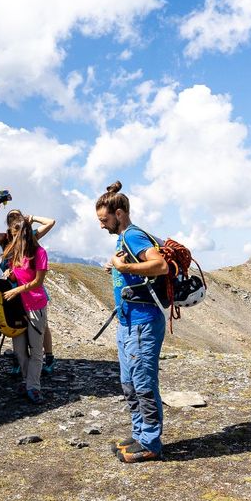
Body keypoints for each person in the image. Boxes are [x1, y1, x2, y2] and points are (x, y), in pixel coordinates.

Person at [96, 181, 168, 463]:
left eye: (104, 220)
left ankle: (150, 443)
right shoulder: (123, 238)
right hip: (127, 322)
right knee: (129, 382)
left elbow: (160, 265)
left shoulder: (133, 235)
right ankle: (139, 434)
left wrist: (124, 266)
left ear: (119, 213)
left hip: (142, 322)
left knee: (143, 382)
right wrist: (117, 269)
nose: (101, 225)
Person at [0, 201, 57, 374]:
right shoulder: (5, 239)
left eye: (17, 215)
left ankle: (48, 358)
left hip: (30, 288)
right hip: (13, 288)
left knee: (41, 324)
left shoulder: (30, 236)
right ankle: (21, 360)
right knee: (15, 321)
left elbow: (51, 222)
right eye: (11, 216)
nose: (14, 217)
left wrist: (32, 218)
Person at [1, 215, 50, 404]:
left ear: (23, 234)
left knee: (36, 350)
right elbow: (18, 277)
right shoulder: (15, 253)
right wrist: (11, 275)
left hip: (35, 305)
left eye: (15, 235)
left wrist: (16, 290)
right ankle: (27, 381)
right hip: (18, 307)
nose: (12, 239)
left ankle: (33, 387)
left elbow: (38, 282)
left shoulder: (39, 252)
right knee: (19, 350)